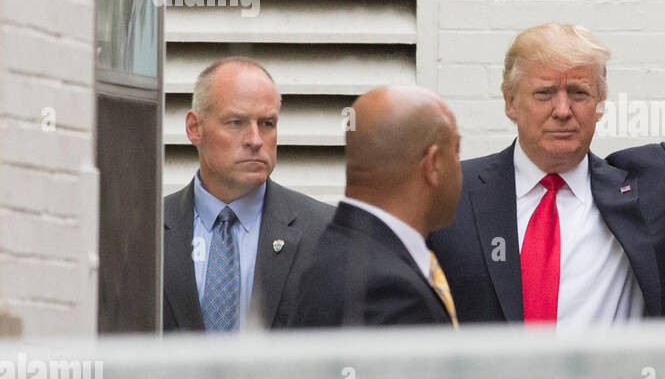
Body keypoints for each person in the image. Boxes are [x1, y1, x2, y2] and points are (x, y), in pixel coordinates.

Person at [427, 1, 665, 327]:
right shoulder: (451, 193)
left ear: (600, 103)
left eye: (579, 93)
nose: (562, 110)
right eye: (544, 93)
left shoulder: (650, 186)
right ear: (510, 101)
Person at [163, 58, 333, 333]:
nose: (255, 140)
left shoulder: (325, 232)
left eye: (267, 124)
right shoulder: (147, 231)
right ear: (195, 128)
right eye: (236, 122)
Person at [288, 85, 462, 329]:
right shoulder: (389, 290)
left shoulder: (335, 250)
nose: (460, 168)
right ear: (433, 164)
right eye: (456, 152)